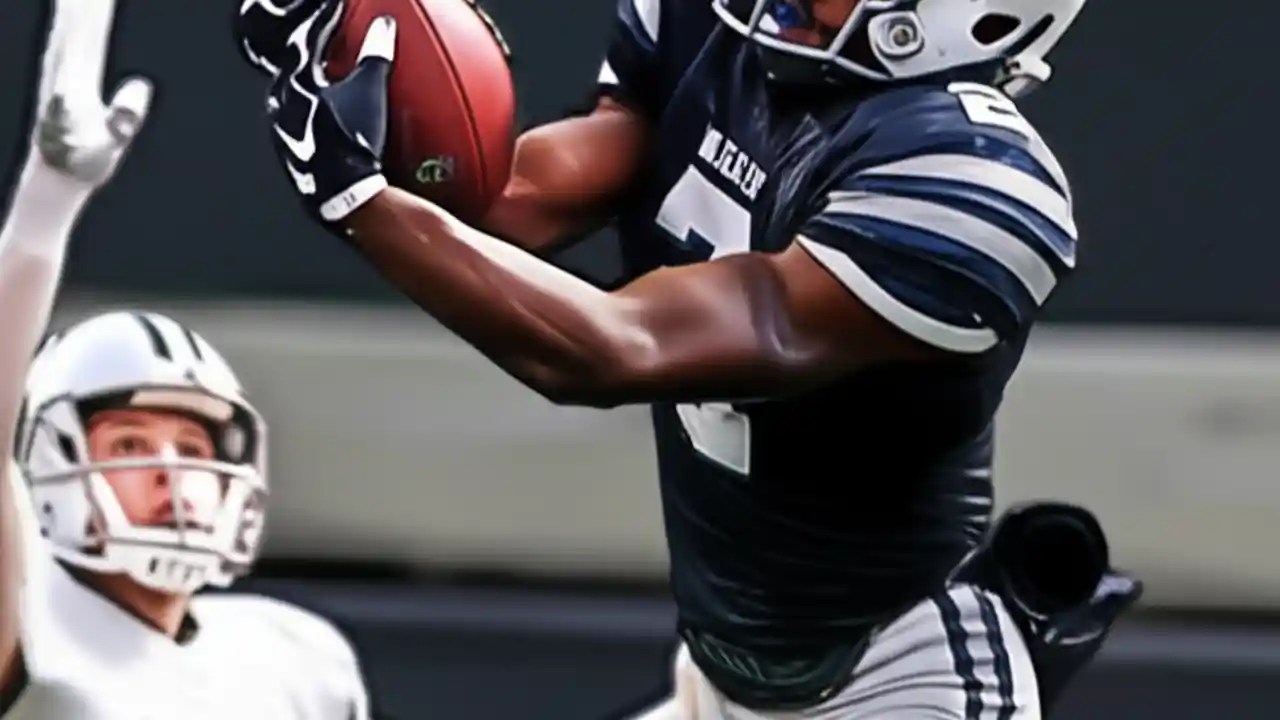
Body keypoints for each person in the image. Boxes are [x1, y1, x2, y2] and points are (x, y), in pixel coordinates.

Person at [235, 0, 1140, 717]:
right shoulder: (720, 30)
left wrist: (356, 196)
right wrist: (374, 97)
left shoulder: (971, 176)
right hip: (723, 673)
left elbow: (611, 350)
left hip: (895, 679)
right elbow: (507, 197)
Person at [0, 1, 371, 716]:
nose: (175, 475)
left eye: (193, 443)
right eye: (131, 444)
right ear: (45, 462)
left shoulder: (299, 657)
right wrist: (43, 214)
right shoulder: (31, 616)